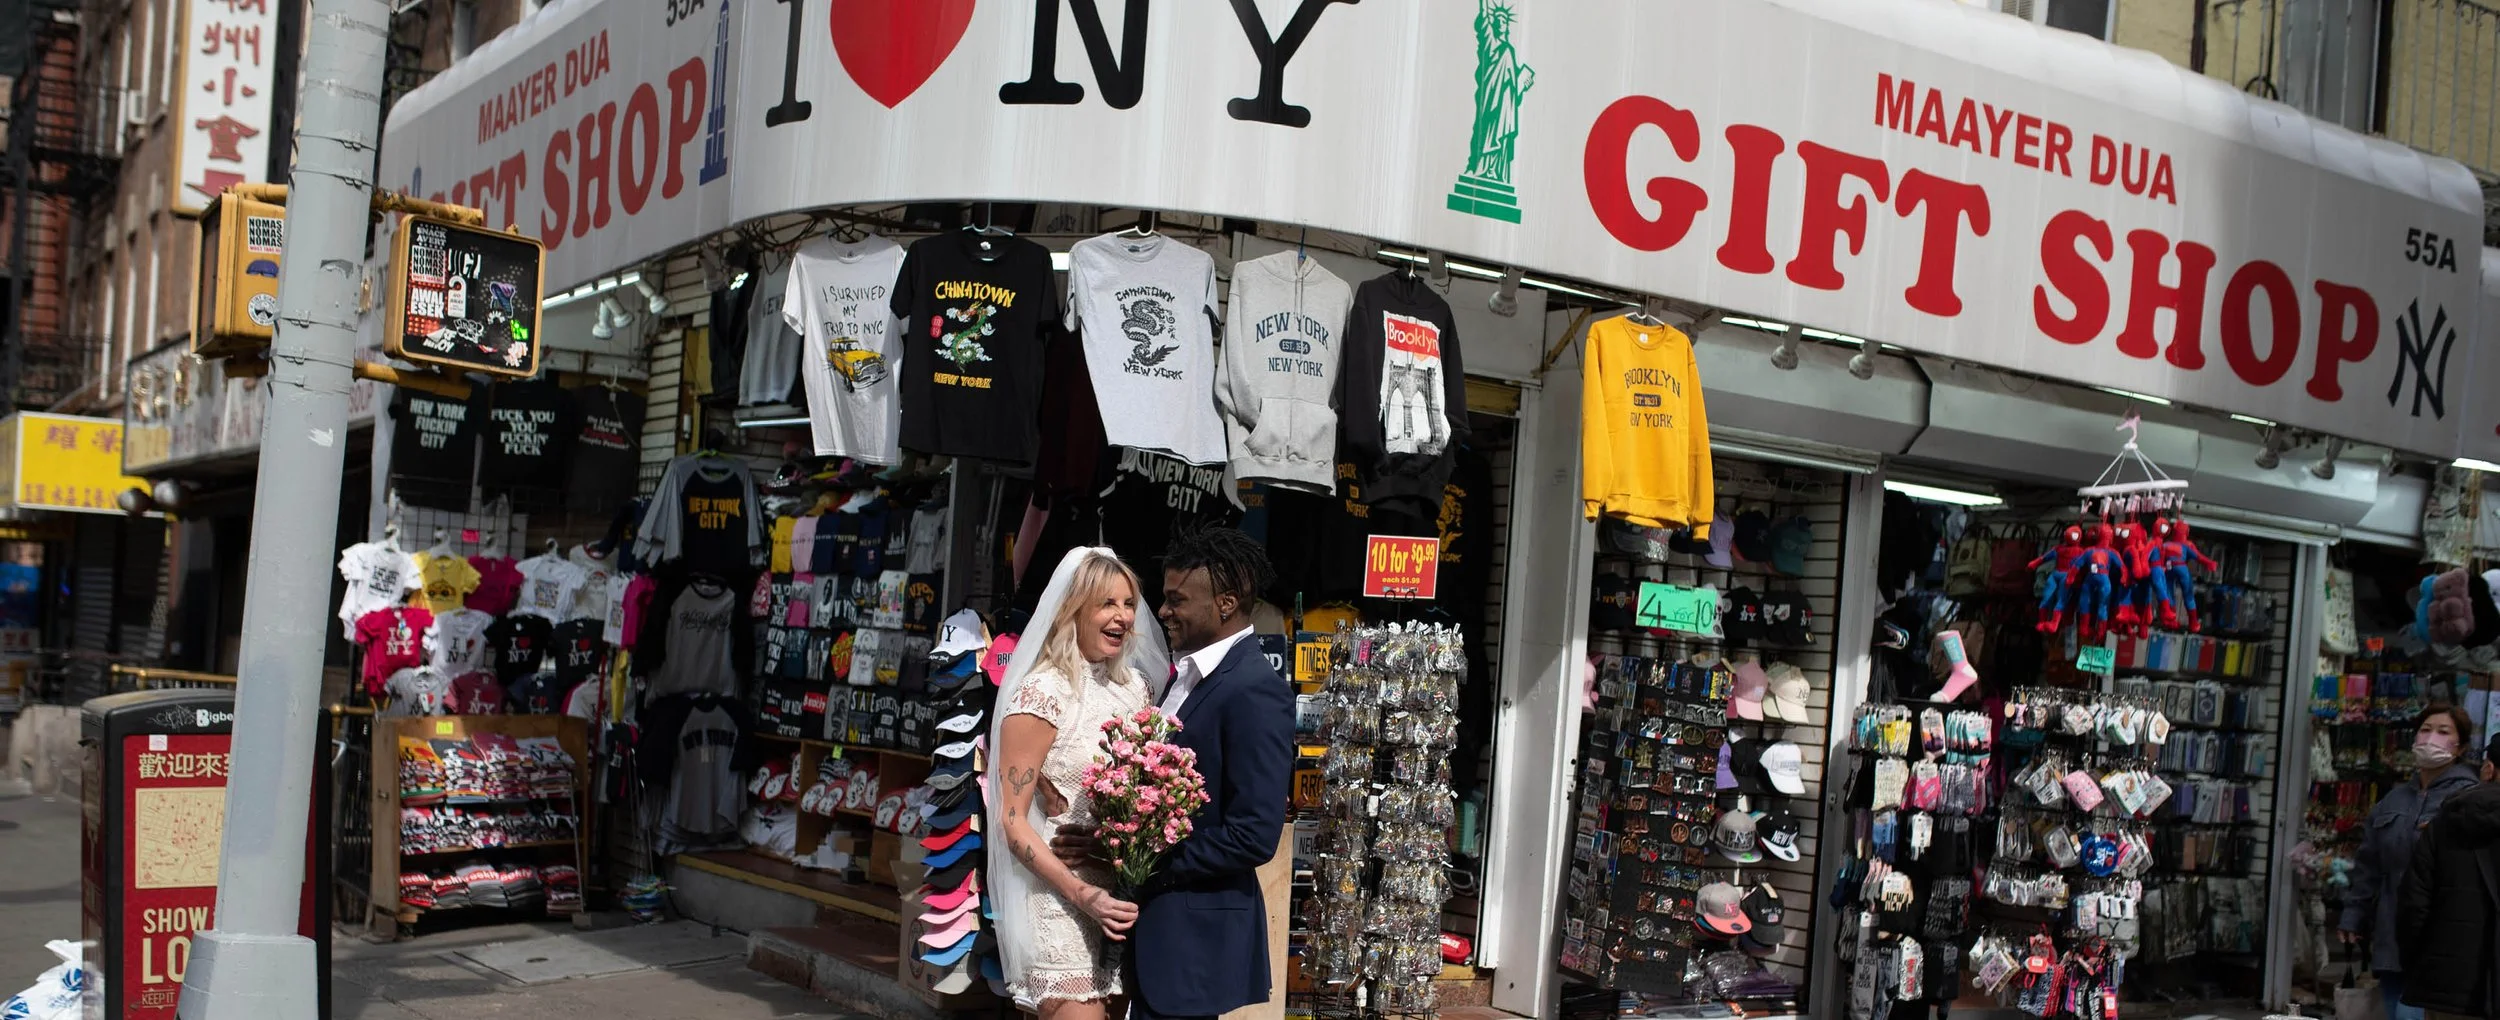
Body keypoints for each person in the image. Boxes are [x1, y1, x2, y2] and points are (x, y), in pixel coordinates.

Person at [1056, 526, 1294, 1020]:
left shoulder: (1254, 689)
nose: (1161, 612)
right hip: (1154, 940)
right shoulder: (1185, 676)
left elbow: (1253, 835)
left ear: (1225, 603)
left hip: (1193, 945)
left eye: (1176, 600)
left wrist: (1138, 860)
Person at [987, 547, 1165, 1019]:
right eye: (1107, 604)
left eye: (1129, 604)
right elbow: (1012, 821)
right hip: (1059, 903)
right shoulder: (1041, 693)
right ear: (1074, 609)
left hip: (1121, 903)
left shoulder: (1137, 690)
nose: (1123, 616)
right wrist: (1082, 894)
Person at [2341, 705, 2484, 1020]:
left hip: (2440, 938)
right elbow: (2368, 866)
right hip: (2391, 934)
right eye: (2425, 729)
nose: (2431, 738)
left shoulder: (2468, 799)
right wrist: (2353, 915)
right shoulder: (2393, 800)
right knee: (2397, 1011)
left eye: (2444, 732)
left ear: (2460, 747)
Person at [2397, 731, 2500, 1020]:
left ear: (2489, 769)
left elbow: (2414, 905)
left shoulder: (2446, 823)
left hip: (2449, 987)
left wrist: (2422, 967)